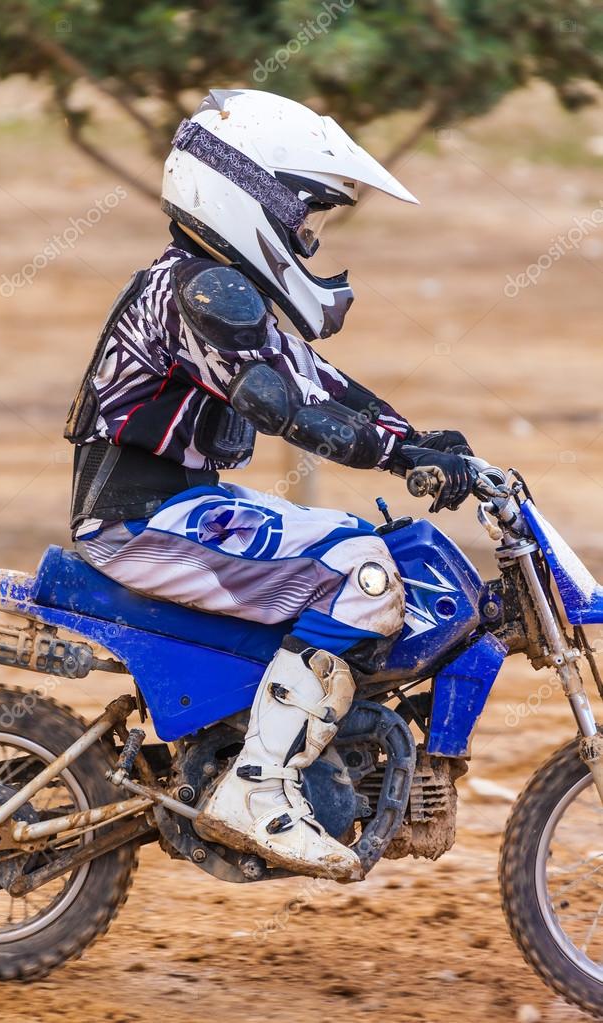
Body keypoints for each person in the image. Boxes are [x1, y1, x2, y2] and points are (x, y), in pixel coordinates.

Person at [64, 89, 475, 882]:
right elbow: (290, 411)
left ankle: (295, 745)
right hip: (140, 518)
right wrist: (402, 460)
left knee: (364, 550)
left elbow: (328, 385)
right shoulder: (202, 292)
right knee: (361, 570)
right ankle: (258, 787)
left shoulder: (220, 290)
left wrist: (423, 440)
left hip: (177, 507)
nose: (308, 238)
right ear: (251, 194)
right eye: (303, 219)